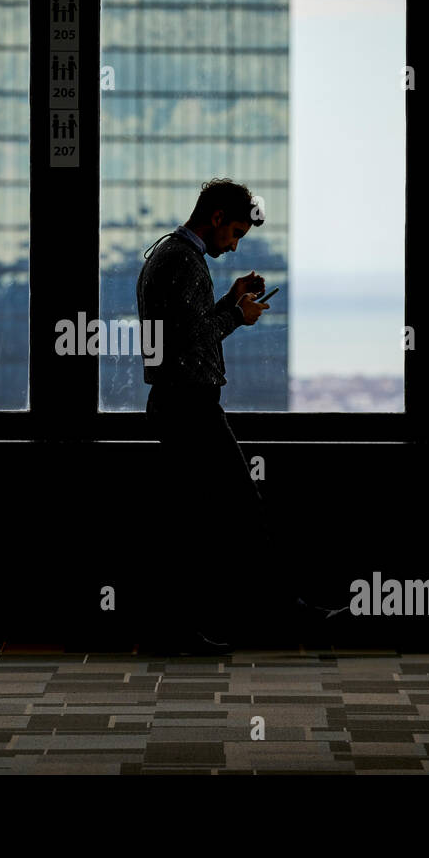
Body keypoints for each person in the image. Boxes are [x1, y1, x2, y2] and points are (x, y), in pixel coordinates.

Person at [135, 178, 269, 654]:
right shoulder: (183, 262)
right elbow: (193, 340)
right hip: (190, 405)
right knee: (231, 508)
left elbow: (183, 330)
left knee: (191, 516)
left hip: (179, 404)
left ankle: (187, 626)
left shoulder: (169, 255)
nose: (233, 246)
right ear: (215, 219)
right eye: (233, 233)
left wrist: (230, 301)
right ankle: (261, 614)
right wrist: (239, 315)